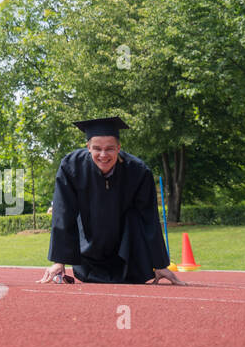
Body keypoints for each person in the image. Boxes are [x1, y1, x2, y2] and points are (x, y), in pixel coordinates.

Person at [40, 117, 185, 285]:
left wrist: (159, 264)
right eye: (97, 149)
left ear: (119, 148)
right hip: (88, 250)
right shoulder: (71, 168)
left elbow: (149, 218)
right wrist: (59, 261)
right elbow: (63, 213)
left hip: (128, 252)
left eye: (110, 149)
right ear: (88, 147)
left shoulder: (138, 172)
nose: (103, 155)